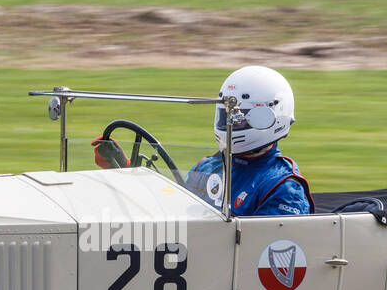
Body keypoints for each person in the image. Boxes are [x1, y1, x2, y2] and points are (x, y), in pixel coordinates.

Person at [92, 66, 311, 216]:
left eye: (238, 118)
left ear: (269, 119)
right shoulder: (208, 167)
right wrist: (126, 173)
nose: (230, 125)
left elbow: (263, 260)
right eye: (226, 117)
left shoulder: (282, 188)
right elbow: (171, 216)